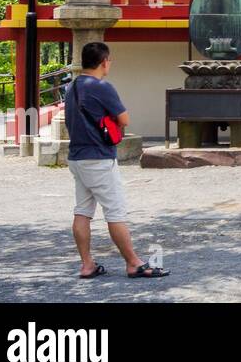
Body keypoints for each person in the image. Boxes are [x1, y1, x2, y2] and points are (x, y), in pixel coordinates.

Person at [65, 42, 168, 280]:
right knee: (115, 211)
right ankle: (133, 263)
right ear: (104, 61)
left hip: (77, 157)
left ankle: (87, 264)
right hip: (98, 158)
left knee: (82, 211)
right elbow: (125, 119)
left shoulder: (72, 87)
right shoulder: (102, 87)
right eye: (109, 60)